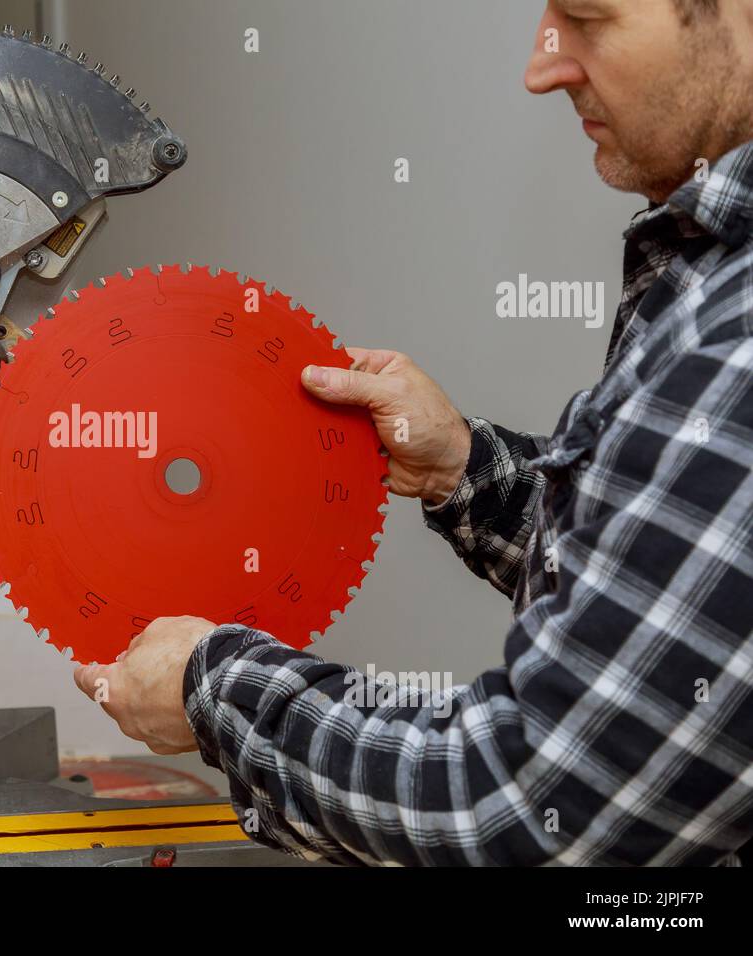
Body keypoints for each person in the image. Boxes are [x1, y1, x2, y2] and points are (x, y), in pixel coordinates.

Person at [73, 0, 753, 865]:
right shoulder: (706, 264)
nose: (542, 68)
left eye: (589, 17)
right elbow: (661, 597)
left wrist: (217, 688)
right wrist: (464, 469)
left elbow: (526, 811)